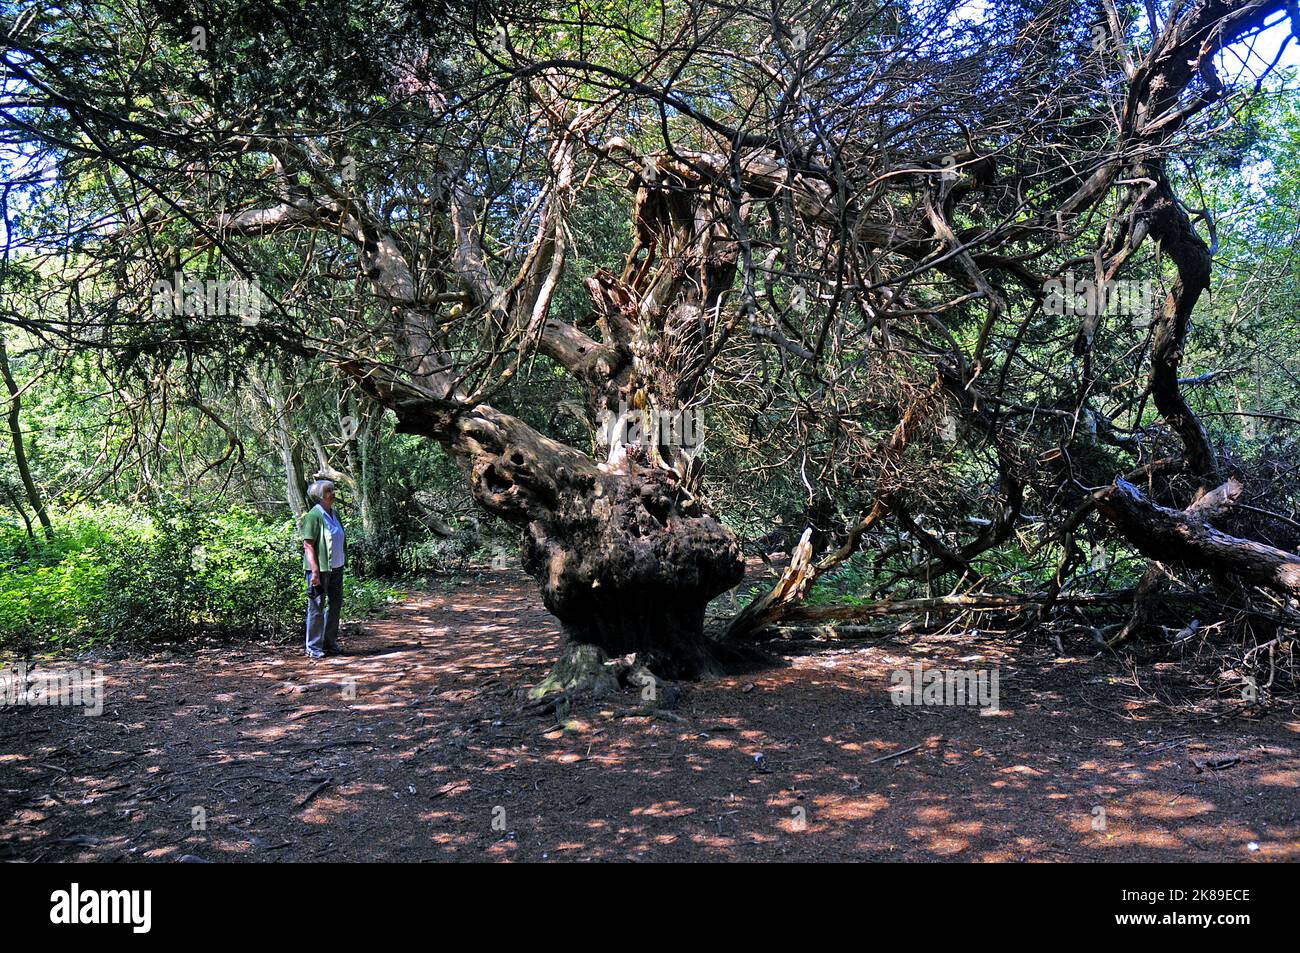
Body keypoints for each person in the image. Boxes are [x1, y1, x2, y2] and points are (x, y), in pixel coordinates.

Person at [300, 479, 346, 659]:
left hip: (336, 568)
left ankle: (329, 642)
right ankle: (313, 647)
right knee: (316, 607)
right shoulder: (314, 515)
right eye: (328, 491)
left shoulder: (335, 514)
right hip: (318, 571)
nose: (332, 493)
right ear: (319, 496)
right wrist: (315, 572)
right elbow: (308, 545)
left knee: (335, 605)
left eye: (333, 490)